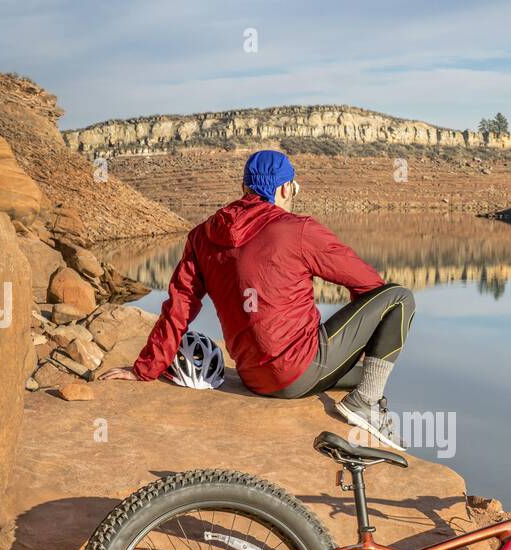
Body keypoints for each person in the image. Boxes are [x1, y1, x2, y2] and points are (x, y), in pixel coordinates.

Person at [101, 149, 413, 451]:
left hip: (254, 377)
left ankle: (370, 405)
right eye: (293, 189)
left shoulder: (202, 236)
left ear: (244, 188)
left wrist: (145, 369)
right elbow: (370, 286)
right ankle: (365, 405)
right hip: (298, 370)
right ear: (285, 188)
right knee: (399, 299)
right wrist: (361, 341)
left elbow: (179, 306)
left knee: (366, 376)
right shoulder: (297, 230)